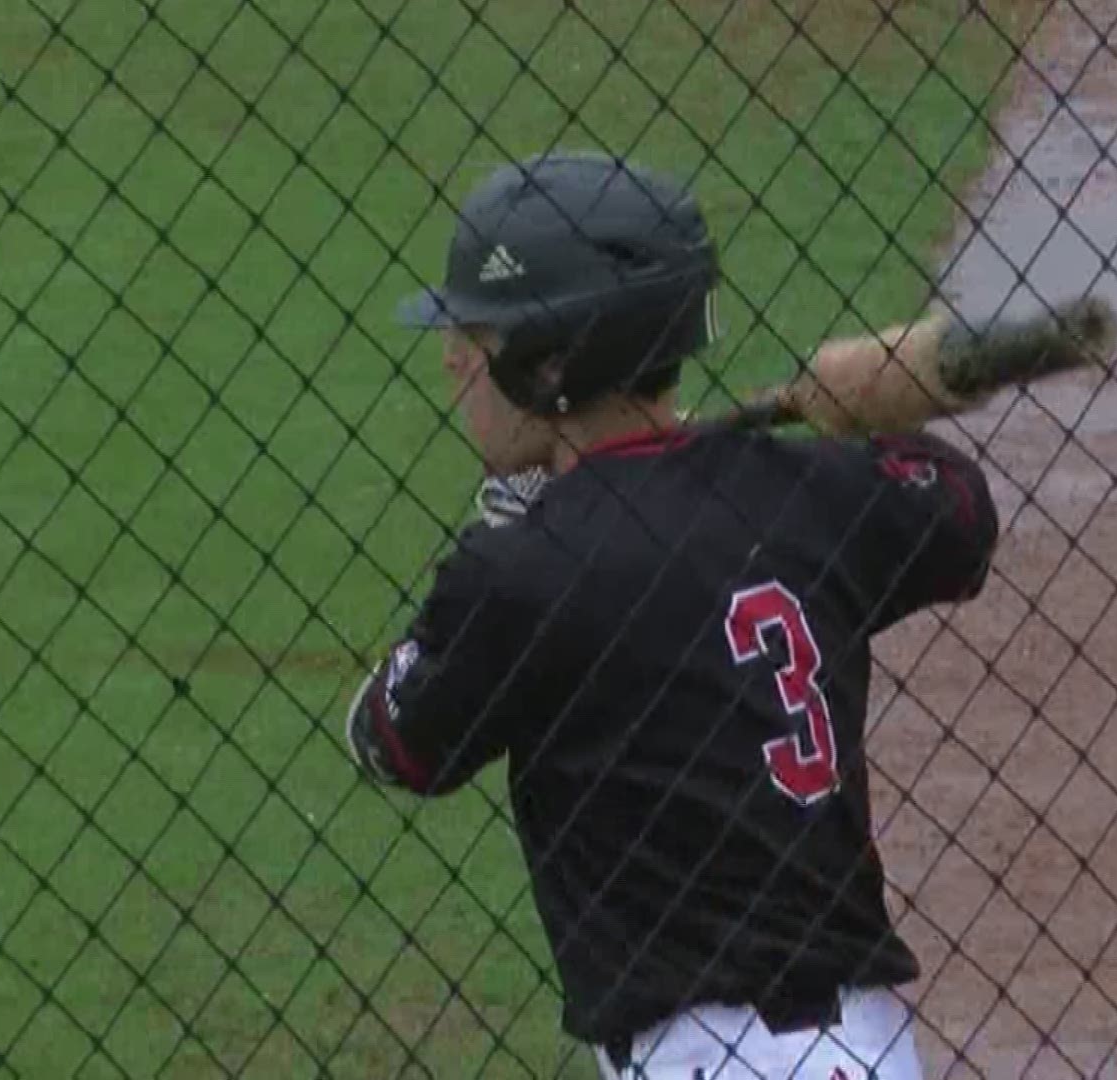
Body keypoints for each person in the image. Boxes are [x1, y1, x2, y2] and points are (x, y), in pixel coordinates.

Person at [343, 150, 1001, 1079]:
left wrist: (502, 541)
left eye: (481, 337)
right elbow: (960, 510)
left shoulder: (526, 571)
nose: (454, 357)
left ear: (551, 364)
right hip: (870, 1048)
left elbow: (395, 741)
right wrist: (864, 409)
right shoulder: (806, 496)